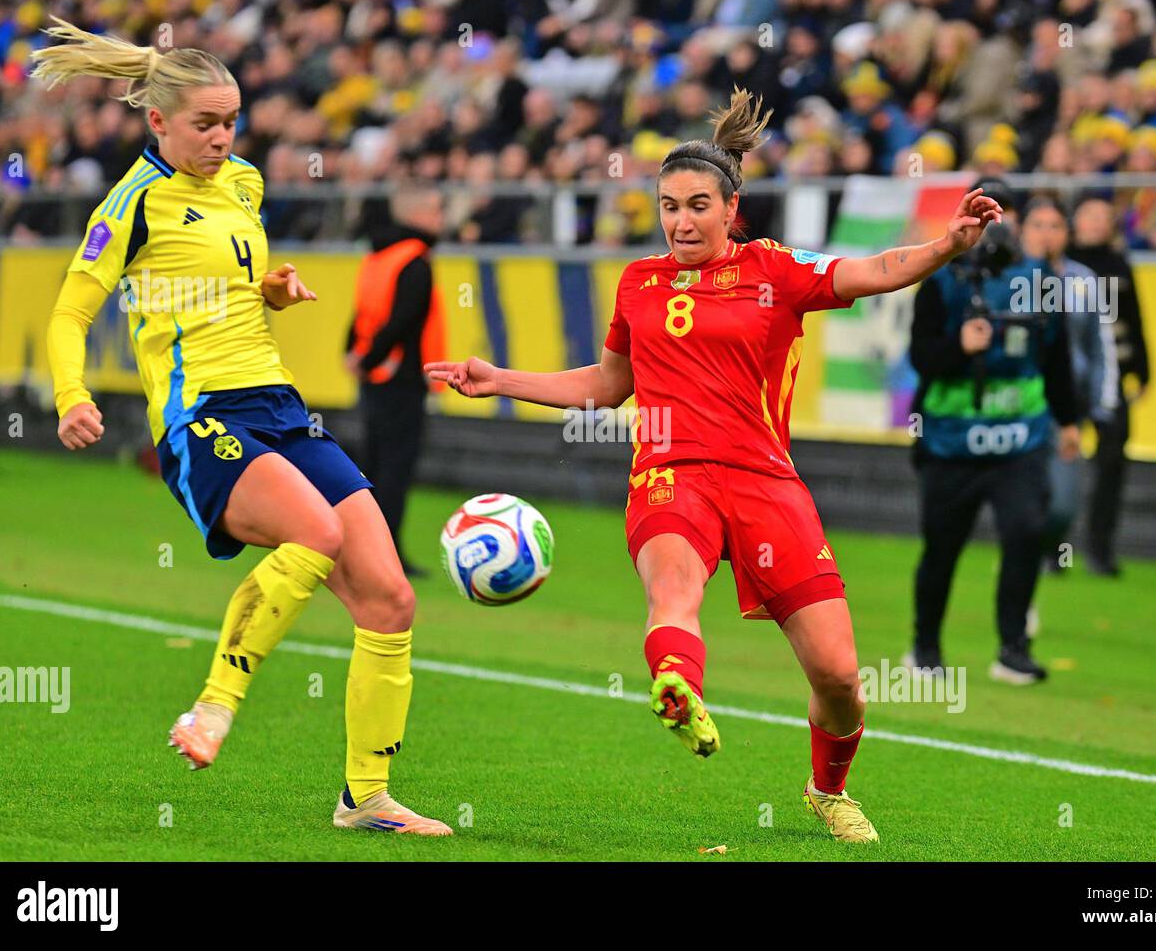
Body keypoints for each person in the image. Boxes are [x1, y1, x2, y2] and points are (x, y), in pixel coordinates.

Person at [426, 88, 1003, 843]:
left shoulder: (777, 271)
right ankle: (677, 688)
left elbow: (877, 270)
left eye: (697, 205)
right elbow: (606, 385)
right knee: (673, 594)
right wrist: (501, 379)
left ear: (731, 208)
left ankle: (828, 790)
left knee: (838, 678)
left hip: (766, 481)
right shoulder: (639, 283)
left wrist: (947, 245)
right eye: (668, 206)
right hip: (670, 474)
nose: (680, 222)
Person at [32, 17, 450, 836]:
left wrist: (274, 292)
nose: (222, 138)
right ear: (158, 121)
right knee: (316, 531)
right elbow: (69, 312)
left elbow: (225, 286)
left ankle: (366, 798)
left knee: (392, 597)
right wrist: (69, 395)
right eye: (204, 125)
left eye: (231, 122)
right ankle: (214, 707)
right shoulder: (134, 203)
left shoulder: (246, 184)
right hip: (202, 420)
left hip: (281, 408)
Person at [905, 178, 1082, 686]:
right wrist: (958, 345)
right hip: (950, 442)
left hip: (1019, 441)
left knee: (1026, 534)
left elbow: (1057, 357)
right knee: (942, 547)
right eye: (980, 215)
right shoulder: (939, 280)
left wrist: (1068, 421)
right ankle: (925, 646)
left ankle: (1013, 648)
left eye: (999, 216)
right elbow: (920, 357)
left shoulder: (1039, 280)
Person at [346, 185, 446, 577]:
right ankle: (386, 555)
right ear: (418, 215)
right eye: (437, 210)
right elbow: (402, 321)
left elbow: (362, 313)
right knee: (395, 470)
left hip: (374, 379)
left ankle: (362, 548)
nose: (442, 220)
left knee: (371, 464)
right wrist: (370, 356)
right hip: (402, 381)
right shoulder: (415, 261)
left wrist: (356, 356)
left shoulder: (377, 255)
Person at [1019, 196, 1117, 576]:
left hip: (1066, 411)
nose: (1046, 234)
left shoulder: (1084, 281)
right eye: (1037, 225)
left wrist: (1101, 403)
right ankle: (1023, 557)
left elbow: (1099, 346)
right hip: (1020, 405)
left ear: (1068, 233)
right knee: (1022, 497)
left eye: (1055, 226)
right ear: (1022, 230)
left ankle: (1044, 548)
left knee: (1063, 504)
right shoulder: (1011, 278)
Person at [1067, 196, 1150, 576]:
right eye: (1091, 216)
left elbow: (1134, 320)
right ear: (1077, 222)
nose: (1099, 223)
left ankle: (1100, 549)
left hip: (1113, 379)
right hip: (1069, 378)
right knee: (1061, 461)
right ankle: (1054, 547)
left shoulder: (1119, 265)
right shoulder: (1061, 264)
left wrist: (1142, 369)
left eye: (1105, 217)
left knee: (1112, 463)